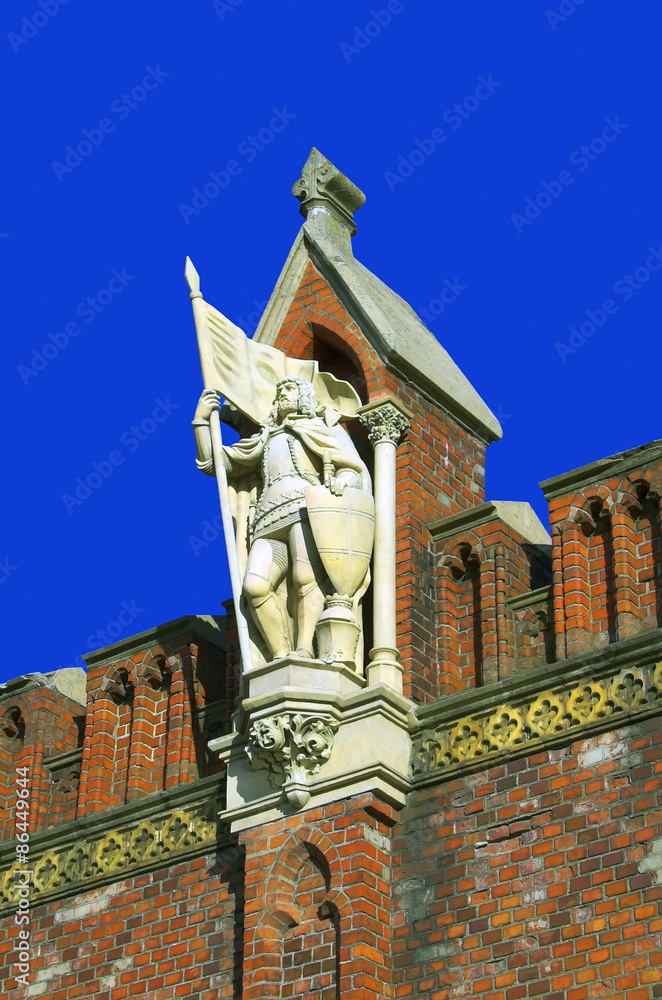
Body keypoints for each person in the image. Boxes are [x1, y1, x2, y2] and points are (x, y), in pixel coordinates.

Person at [193, 377, 371, 660]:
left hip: (306, 509)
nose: (282, 394)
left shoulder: (321, 427)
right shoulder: (265, 437)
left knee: (305, 578)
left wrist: (343, 481)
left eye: (289, 389)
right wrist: (201, 422)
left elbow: (351, 467)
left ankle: (304, 649)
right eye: (280, 391)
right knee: (255, 586)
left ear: (304, 396)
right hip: (267, 518)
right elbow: (217, 464)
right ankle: (280, 654)